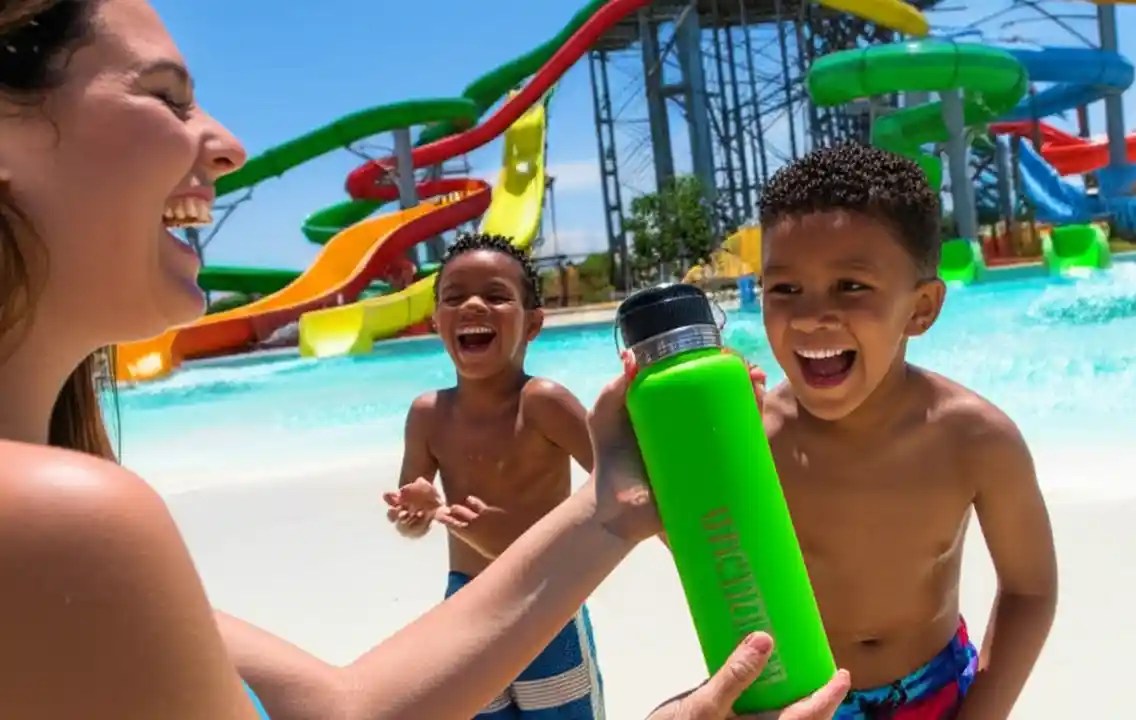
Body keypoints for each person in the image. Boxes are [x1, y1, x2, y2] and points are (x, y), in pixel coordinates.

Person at [0, 1, 852, 718]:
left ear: (534, 319)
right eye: (165, 98)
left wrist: (614, 503)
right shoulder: (68, 519)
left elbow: (347, 709)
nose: (227, 145)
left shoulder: (59, 502)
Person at [750, 142, 1059, 719]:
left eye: (851, 286)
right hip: (793, 703)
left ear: (921, 308)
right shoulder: (752, 439)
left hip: (935, 693)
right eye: (784, 289)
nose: (813, 315)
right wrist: (694, 441)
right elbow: (704, 558)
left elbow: (1030, 590)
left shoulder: (974, 439)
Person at [382, 232, 604, 719]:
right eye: (454, 297)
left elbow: (616, 482)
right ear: (437, 321)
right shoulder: (428, 414)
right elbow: (410, 520)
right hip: (465, 601)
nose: (473, 306)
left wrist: (519, 538)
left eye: (497, 296)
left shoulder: (542, 403)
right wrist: (414, 509)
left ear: (533, 324)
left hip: (544, 601)